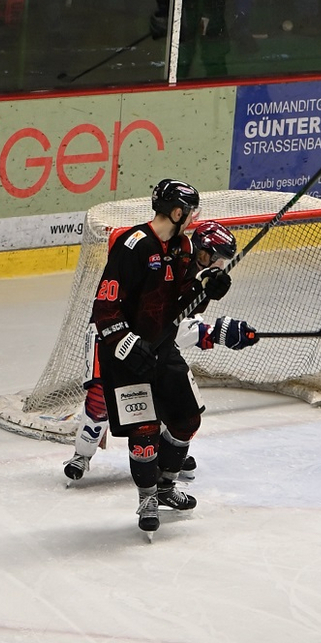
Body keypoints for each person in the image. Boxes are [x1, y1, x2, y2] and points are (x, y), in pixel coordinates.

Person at [91, 182, 258, 533]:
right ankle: (147, 496)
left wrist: (204, 289)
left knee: (187, 419)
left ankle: (166, 486)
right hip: (125, 355)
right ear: (177, 212)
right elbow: (105, 307)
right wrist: (126, 344)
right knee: (145, 430)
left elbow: (182, 301)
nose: (194, 218)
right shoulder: (132, 245)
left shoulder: (183, 246)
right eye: (191, 211)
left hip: (163, 349)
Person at [62, 219, 244, 485]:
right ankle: (82, 453)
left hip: (148, 339)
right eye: (213, 257)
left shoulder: (192, 270)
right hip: (111, 332)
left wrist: (204, 307)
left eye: (220, 261)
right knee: (101, 397)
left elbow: (169, 323)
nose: (215, 265)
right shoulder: (168, 255)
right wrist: (210, 332)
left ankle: (161, 453)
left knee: (161, 395)